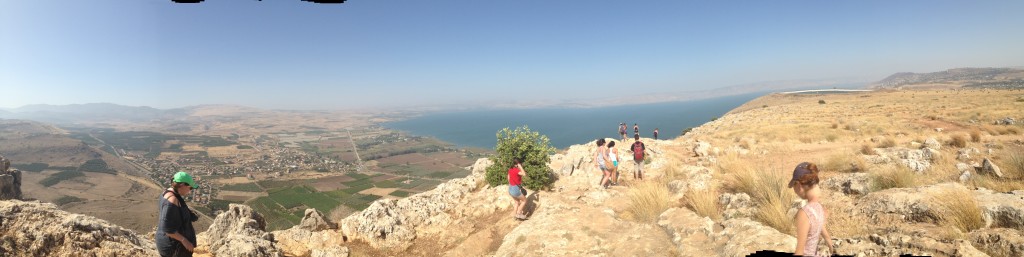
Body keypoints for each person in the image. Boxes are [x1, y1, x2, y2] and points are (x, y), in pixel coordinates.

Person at [788, 162, 834, 257]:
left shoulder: (804, 213)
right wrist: (829, 242)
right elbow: (820, 225)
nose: (794, 190)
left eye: (794, 186)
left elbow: (800, 251)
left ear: (799, 185)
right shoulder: (819, 208)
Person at [157, 171, 200, 257]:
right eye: (190, 188)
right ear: (182, 185)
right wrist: (185, 241)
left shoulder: (169, 193)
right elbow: (167, 229)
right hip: (173, 247)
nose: (190, 191)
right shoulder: (172, 200)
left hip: (174, 244)